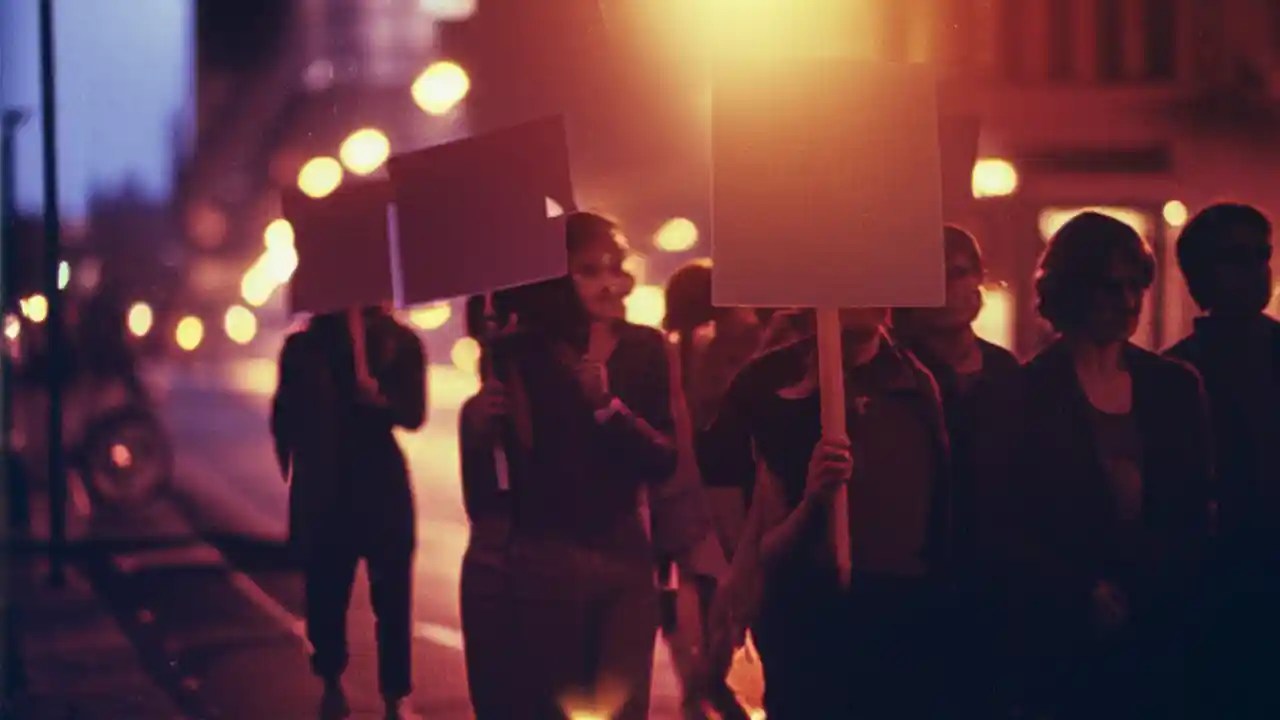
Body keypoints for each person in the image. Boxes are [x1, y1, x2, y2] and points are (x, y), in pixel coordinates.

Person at [995, 212, 1213, 718]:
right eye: (1110, 286)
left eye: (1136, 285)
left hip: (1161, 627)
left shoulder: (1174, 387)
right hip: (1060, 640)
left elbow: (1195, 507)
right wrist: (1079, 592)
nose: (1128, 301)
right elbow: (1003, 519)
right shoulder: (1024, 393)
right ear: (1071, 290)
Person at [462, 212, 677, 720]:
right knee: (558, 707)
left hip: (624, 553)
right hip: (546, 559)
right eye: (588, 270)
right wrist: (481, 423)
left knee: (623, 708)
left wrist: (607, 406)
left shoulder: (646, 348)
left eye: (615, 267)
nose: (608, 283)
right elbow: (498, 485)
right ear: (558, 278)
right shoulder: (520, 355)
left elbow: (663, 457)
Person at [700, 306, 952, 718]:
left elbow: (937, 501)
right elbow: (730, 486)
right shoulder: (766, 382)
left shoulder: (916, 379)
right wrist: (742, 575)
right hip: (801, 609)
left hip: (897, 607)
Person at [270, 305, 426, 720]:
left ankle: (393, 694)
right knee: (327, 594)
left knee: (391, 598)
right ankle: (333, 682)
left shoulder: (400, 344)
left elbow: (414, 413)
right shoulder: (305, 348)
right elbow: (286, 411)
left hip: (378, 485)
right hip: (328, 485)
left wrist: (379, 398)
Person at [891, 225, 1020, 714]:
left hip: (993, 578)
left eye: (962, 273)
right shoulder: (892, 374)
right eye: (939, 276)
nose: (954, 286)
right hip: (912, 580)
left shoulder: (1005, 372)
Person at [1164, 203, 1280, 716]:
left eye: (1262, 255)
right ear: (1200, 275)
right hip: (1215, 590)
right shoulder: (1173, 376)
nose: (1256, 270)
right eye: (1236, 258)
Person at [657, 260, 754, 720]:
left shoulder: (675, 351)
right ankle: (707, 683)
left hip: (679, 484)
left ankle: (698, 687)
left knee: (686, 590)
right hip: (715, 485)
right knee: (716, 587)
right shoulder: (719, 350)